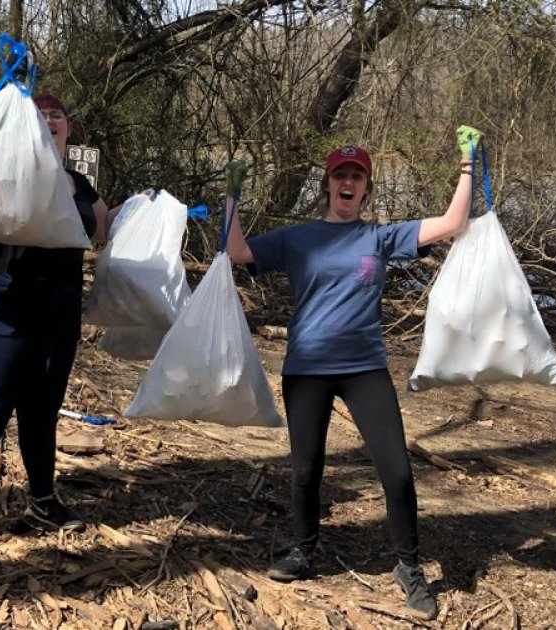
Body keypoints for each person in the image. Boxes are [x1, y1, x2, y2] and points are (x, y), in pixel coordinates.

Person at [223, 126, 483, 619]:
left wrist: (468, 166)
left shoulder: (379, 237)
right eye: (340, 175)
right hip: (307, 368)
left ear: (366, 189)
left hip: (365, 369)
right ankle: (304, 551)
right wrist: (232, 198)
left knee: (397, 471)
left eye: (356, 176)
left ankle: (408, 566)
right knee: (306, 471)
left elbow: (452, 223)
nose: (347, 182)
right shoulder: (298, 238)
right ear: (327, 184)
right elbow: (236, 252)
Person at [0, 91, 118, 562]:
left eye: (58, 114)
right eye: (40, 113)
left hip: (59, 305)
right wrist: (4, 86)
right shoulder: (5, 167)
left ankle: (42, 501)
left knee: (43, 408)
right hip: (4, 299)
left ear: (68, 128)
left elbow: (103, 228)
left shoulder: (79, 183)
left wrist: (154, 207)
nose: (50, 119)